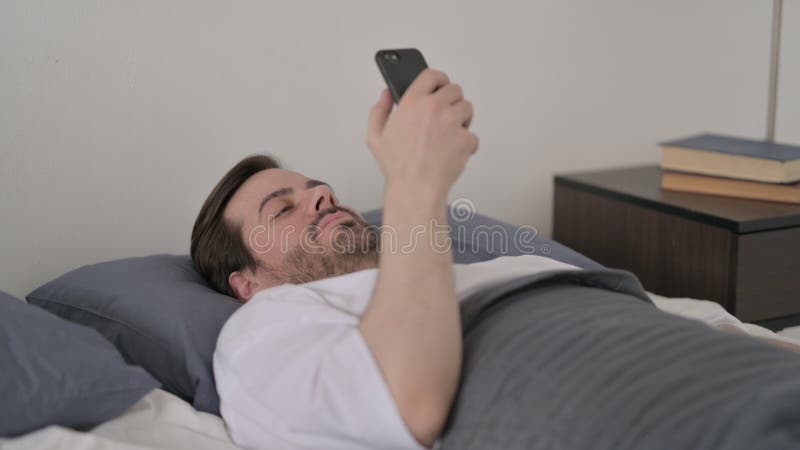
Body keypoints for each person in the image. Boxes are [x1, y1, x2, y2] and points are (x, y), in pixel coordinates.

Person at [191, 69, 800, 450]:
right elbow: (408, 407)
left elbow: (676, 328)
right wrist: (417, 184)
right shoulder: (261, 332)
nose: (322, 196)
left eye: (318, 188)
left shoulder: (474, 268)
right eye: (284, 208)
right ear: (246, 282)